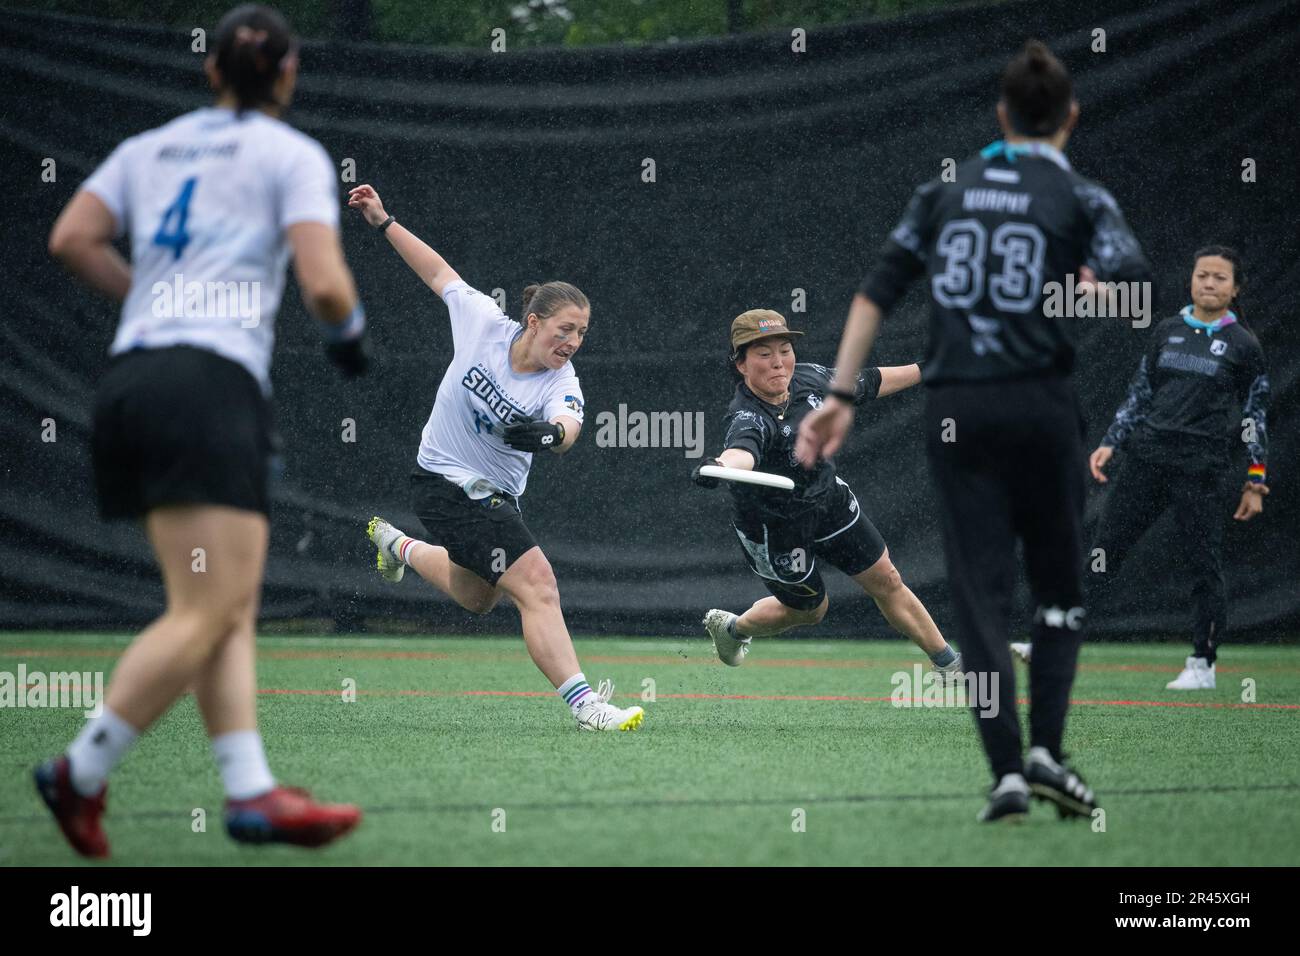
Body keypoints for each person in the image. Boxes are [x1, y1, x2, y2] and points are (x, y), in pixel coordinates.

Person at [37, 4, 365, 858]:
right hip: (208, 387)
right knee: (208, 607)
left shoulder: (150, 149)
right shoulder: (290, 153)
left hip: (134, 380)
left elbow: (70, 236)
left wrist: (153, 298)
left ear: (212, 71)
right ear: (288, 75)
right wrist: (347, 336)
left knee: (225, 604)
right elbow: (327, 288)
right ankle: (80, 767)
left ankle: (250, 791)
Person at [798, 41, 1154, 822]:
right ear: (1070, 117)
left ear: (998, 116)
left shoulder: (942, 194)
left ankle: (1007, 776)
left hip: (959, 415)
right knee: (1058, 593)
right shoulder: (1082, 196)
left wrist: (840, 397)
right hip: (1042, 409)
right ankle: (1048, 754)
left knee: (982, 601)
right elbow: (1130, 280)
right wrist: (1082, 289)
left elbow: (873, 296)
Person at [348, 183, 644, 732]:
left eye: (581, 332)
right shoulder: (483, 322)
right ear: (533, 322)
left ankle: (400, 545)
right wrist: (384, 221)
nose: (574, 340)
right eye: (564, 329)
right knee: (537, 584)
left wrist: (551, 435)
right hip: (441, 477)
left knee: (477, 595)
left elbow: (572, 425)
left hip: (491, 497)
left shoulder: (563, 380)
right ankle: (586, 706)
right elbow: (437, 272)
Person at [1011, 246, 1269, 690]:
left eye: (1220, 278)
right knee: (1102, 555)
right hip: (1146, 460)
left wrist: (1255, 480)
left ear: (1235, 288)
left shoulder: (1244, 345)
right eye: (1202, 274)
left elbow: (1254, 415)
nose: (1209, 283)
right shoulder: (1168, 331)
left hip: (1200, 469)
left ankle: (1201, 665)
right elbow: (1140, 393)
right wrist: (1111, 441)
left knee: (1203, 567)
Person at [693, 310, 961, 678]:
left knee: (887, 579)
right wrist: (721, 466)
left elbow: (867, 381)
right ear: (740, 364)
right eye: (763, 354)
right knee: (811, 611)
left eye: (784, 350)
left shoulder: (811, 378)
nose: (778, 362)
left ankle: (949, 665)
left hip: (827, 501)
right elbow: (742, 453)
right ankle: (733, 630)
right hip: (777, 529)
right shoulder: (747, 416)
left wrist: (926, 368)